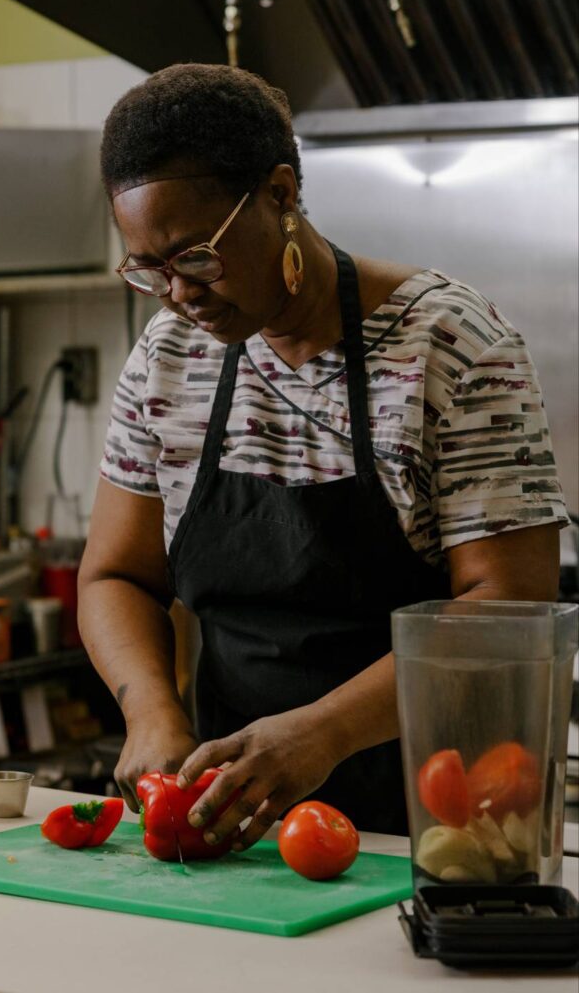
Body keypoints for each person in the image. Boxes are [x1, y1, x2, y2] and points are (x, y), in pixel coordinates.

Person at [79, 63, 567, 846]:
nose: (179, 294)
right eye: (149, 269)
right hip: (239, 819)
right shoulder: (170, 357)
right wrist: (150, 710)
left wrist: (321, 733)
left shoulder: (451, 346)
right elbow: (117, 573)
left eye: (198, 257)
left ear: (279, 193)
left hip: (439, 824)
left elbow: (506, 609)